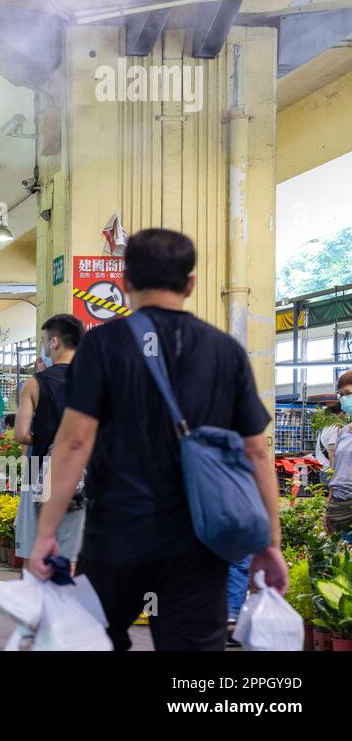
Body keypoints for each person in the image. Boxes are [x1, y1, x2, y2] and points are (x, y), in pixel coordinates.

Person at [28, 228, 286, 651]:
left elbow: (74, 444)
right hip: (200, 543)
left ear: (126, 283)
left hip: (117, 536)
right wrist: (269, 542)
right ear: (191, 284)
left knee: (88, 642)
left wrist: (47, 534)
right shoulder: (225, 350)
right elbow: (257, 451)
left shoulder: (103, 344)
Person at [13, 314, 87, 566]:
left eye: (44, 341)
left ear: (55, 342)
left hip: (38, 469)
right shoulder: (98, 380)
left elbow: (21, 434)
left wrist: (43, 435)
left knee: (35, 550)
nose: (44, 348)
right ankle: (62, 602)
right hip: (79, 471)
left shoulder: (34, 384)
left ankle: (35, 602)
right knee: (69, 552)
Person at [323, 370, 352, 538]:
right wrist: (328, 509)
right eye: (341, 395)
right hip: (337, 506)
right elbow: (337, 472)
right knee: (337, 559)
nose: (344, 399)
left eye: (348, 393)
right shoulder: (343, 433)